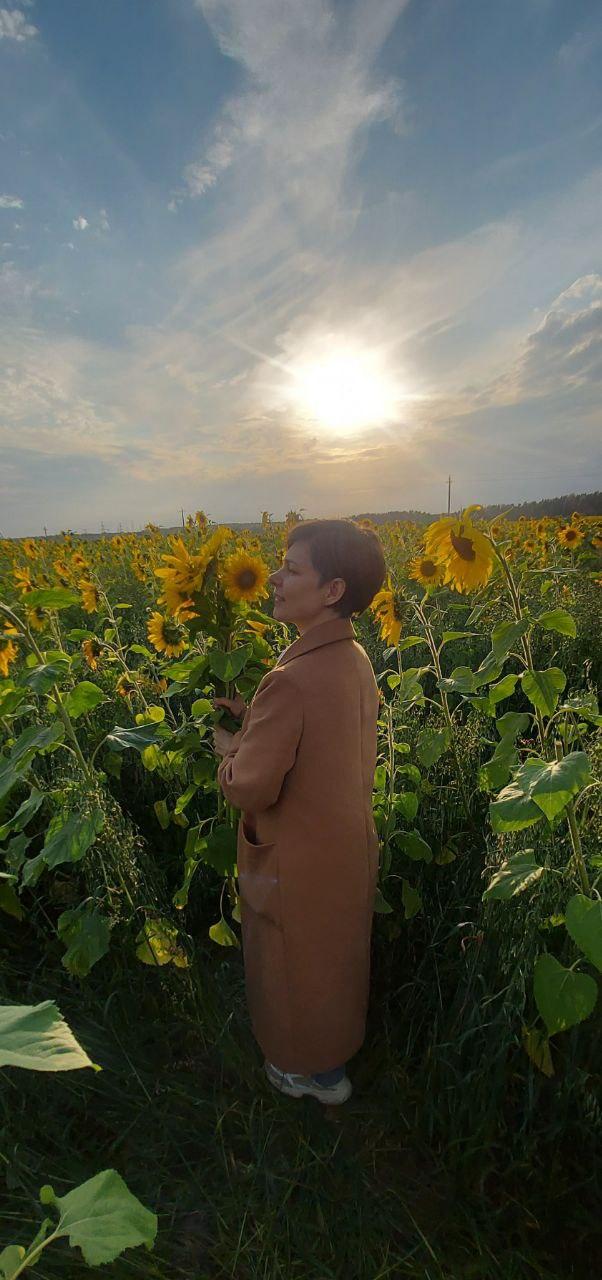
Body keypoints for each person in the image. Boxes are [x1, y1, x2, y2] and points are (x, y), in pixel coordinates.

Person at [212, 518, 386, 1105]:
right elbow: (319, 738)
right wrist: (256, 715)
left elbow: (250, 788)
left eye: (292, 569)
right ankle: (332, 1064)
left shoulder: (291, 681)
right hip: (345, 848)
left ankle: (297, 1071)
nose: (277, 580)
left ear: (332, 590)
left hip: (296, 863)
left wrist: (229, 749)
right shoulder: (353, 658)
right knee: (335, 960)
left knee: (290, 965)